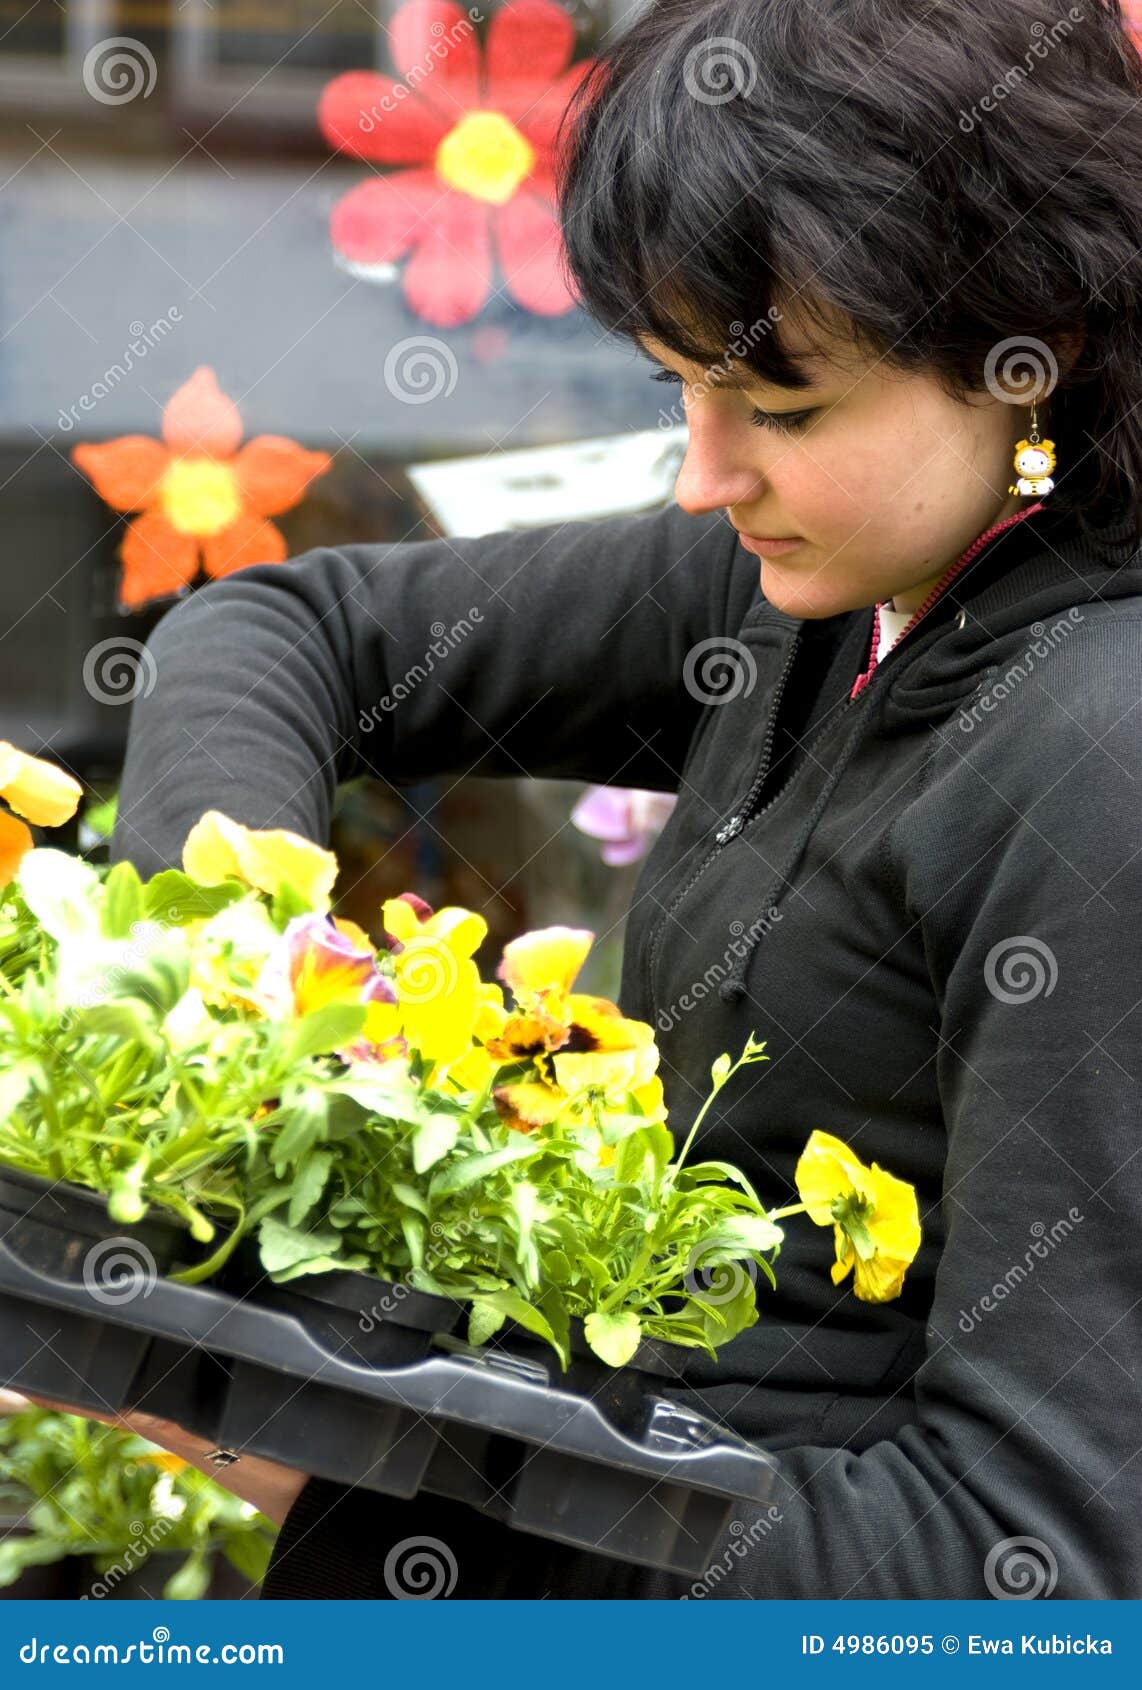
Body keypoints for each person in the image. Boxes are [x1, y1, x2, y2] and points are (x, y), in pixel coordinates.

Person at [40, 0, 1142, 1598]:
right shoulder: (836, 578)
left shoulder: (1092, 757)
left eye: (780, 409)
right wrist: (235, 966)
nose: (703, 474)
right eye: (677, 384)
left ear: (1038, 345)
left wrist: (380, 1463)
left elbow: (1024, 1573)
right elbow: (288, 629)